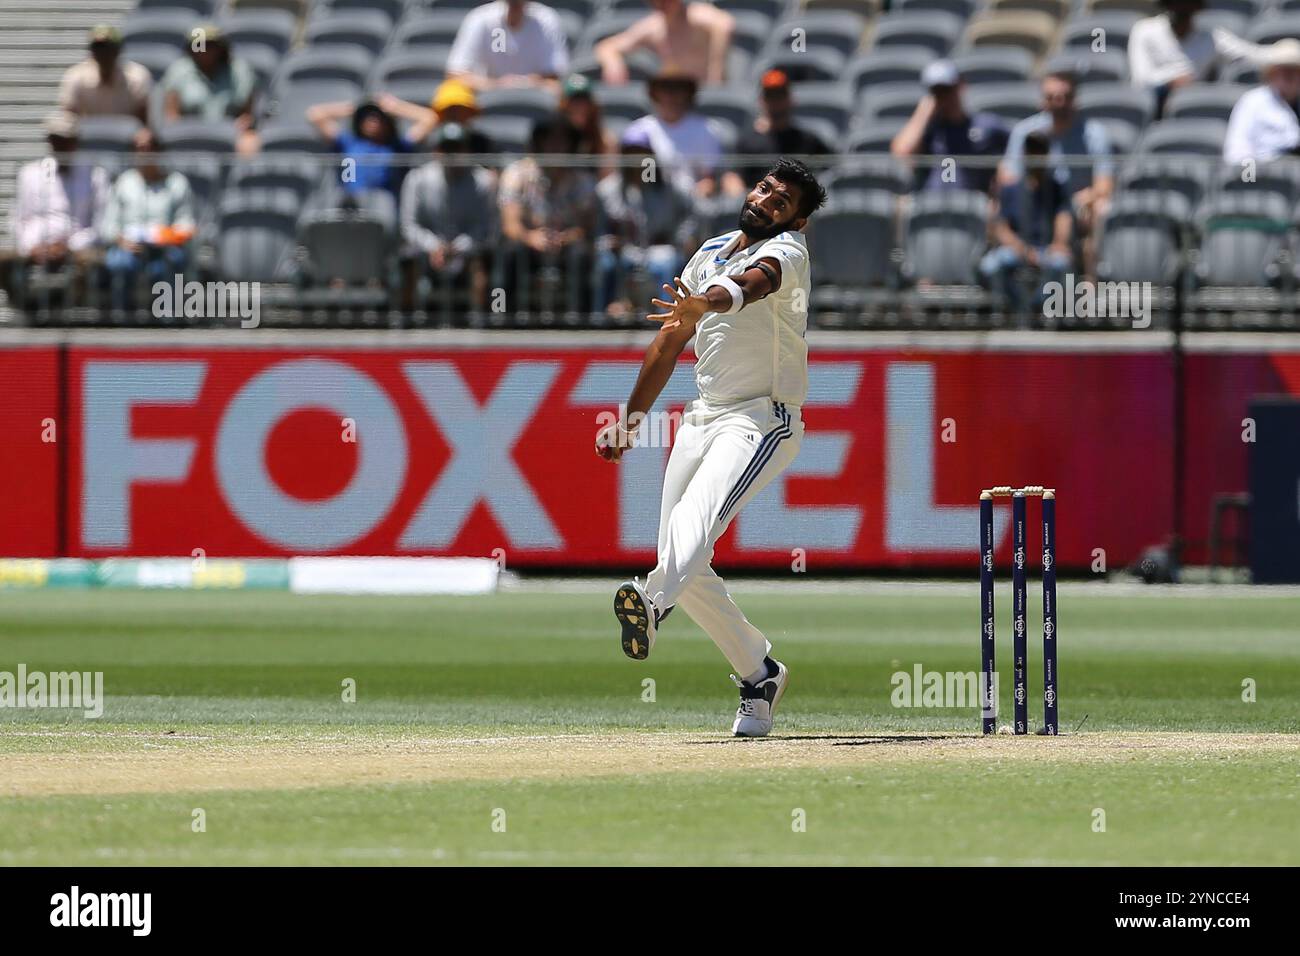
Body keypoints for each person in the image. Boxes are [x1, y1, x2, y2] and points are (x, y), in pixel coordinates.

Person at [595, 158, 826, 738]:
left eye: (781, 203)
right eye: (767, 190)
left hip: (760, 419)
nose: (767, 202)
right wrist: (629, 422)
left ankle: (651, 603)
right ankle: (759, 671)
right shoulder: (713, 248)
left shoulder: (790, 253)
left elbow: (753, 284)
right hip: (703, 417)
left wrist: (709, 301)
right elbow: (670, 339)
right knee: (684, 555)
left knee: (693, 528)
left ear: (795, 220)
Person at [1000, 72, 1112, 273]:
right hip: (1036, 204)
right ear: (1043, 100)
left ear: (1074, 99)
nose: (1058, 103)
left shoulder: (1094, 134)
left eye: (1064, 97)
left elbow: (1104, 187)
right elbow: (1008, 177)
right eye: (1051, 97)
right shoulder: (1026, 132)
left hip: (1077, 205)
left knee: (1101, 208)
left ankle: (1089, 280)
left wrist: (1078, 201)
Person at [2, 111, 107, 306]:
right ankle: (25, 307)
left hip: (76, 248)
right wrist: (33, 247)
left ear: (76, 141)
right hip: (36, 246)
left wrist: (69, 246)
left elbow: (99, 225)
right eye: (56, 139)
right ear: (49, 141)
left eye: (66, 140)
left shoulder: (95, 176)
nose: (61, 145)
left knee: (94, 261)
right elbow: (17, 219)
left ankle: (69, 310)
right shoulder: (30, 174)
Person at [498, 115, 599, 311]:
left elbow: (587, 225)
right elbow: (510, 225)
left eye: (562, 140)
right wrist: (531, 238)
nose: (556, 146)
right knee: (511, 252)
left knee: (581, 254)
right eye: (550, 140)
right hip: (528, 243)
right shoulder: (516, 174)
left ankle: (579, 319)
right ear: (538, 143)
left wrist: (567, 237)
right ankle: (504, 315)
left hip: (566, 244)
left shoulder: (583, 180)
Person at [595, 125, 697, 315]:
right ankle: (602, 318)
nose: (638, 160)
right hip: (625, 249)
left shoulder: (668, 186)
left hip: (660, 247)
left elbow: (689, 215)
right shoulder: (609, 189)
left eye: (642, 154)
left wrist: (681, 239)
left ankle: (666, 318)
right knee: (606, 263)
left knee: (666, 261)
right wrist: (608, 242)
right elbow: (601, 232)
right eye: (632, 154)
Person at [400, 123, 496, 311]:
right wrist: (433, 246)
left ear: (467, 150)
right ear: (436, 151)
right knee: (407, 257)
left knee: (483, 261)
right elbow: (409, 225)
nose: (452, 154)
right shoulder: (417, 178)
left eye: (457, 148)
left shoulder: (484, 181)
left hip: (467, 250)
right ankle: (407, 318)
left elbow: (485, 226)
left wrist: (459, 247)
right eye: (446, 148)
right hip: (427, 249)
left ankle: (481, 320)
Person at [101, 127, 196, 313]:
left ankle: (167, 319)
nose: (144, 153)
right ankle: (122, 318)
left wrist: (165, 237)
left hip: (165, 248)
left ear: (159, 151)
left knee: (169, 263)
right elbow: (108, 226)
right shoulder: (123, 182)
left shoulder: (177, 183)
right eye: (139, 148)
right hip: (129, 248)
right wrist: (122, 241)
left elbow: (186, 224)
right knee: (119, 262)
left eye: (149, 147)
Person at [981, 133, 1072, 315]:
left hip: (1046, 249)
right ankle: (1020, 306)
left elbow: (1063, 219)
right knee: (990, 266)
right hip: (1017, 250)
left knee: (1061, 264)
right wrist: (1023, 250)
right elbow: (1001, 228)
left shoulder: (1057, 188)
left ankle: (1035, 307)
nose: (1035, 155)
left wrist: (1059, 244)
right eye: (1031, 150)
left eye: (1040, 151)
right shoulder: (1010, 189)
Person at [891, 60, 1009, 194]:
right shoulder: (928, 129)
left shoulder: (985, 125)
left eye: (947, 90)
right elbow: (902, 153)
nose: (944, 97)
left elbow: (1017, 151)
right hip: (931, 204)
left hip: (972, 206)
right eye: (937, 91)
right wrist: (923, 113)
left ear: (960, 86)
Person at [1129, 0, 1263, 117]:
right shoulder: (1145, 30)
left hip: (1196, 104)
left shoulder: (1211, 37)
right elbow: (1141, 79)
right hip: (1158, 107)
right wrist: (1172, 81)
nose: (1182, 6)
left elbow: (1253, 54)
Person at [724, 70, 832, 194]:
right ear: (762, 101)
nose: (776, 103)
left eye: (780, 96)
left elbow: (832, 169)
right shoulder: (747, 142)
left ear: (790, 99)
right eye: (771, 97)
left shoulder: (807, 140)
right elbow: (732, 178)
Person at [307, 94, 429, 202]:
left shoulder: (397, 146)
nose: (372, 121)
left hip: (384, 207)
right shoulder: (348, 143)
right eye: (367, 116)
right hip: (351, 205)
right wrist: (354, 108)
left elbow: (428, 119)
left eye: (379, 117)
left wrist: (396, 108)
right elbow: (315, 114)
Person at [159, 24, 259, 154]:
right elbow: (172, 116)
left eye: (209, 45)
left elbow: (247, 114)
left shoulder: (239, 71)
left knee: (250, 142)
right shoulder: (178, 71)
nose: (204, 50)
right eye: (199, 45)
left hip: (230, 133)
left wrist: (242, 123)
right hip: (189, 134)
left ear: (220, 48)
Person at [622, 70, 722, 197]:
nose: (671, 95)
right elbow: (643, 180)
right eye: (665, 88)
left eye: (678, 88)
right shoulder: (639, 131)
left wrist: (694, 197)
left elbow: (709, 178)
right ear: (655, 93)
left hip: (693, 203)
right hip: (654, 204)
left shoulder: (706, 130)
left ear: (688, 93)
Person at [595, 0, 734, 87]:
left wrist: (716, 68)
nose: (662, 4)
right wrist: (613, 64)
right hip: (677, 95)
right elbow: (607, 46)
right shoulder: (653, 26)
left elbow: (725, 23)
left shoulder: (695, 14)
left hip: (709, 90)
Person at [446, 0, 568, 92]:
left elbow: (555, 78)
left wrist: (526, 83)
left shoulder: (547, 20)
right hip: (487, 98)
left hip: (536, 98)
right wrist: (497, 85)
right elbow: (456, 74)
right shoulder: (480, 18)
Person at [1223, 40, 1300, 165]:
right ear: (1272, 73)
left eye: (1294, 70)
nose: (1289, 75)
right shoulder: (1253, 101)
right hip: (1265, 175)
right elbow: (1236, 152)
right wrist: (1254, 180)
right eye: (1283, 69)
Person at [58, 25, 150, 123]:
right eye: (98, 48)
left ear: (118, 50)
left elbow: (143, 122)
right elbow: (68, 115)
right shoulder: (75, 76)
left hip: (126, 137)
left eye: (108, 48)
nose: (103, 53)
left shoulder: (137, 76)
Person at [405, 79, 496, 153]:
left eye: (460, 109)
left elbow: (491, 171)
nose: (455, 114)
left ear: (469, 112)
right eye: (450, 109)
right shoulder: (430, 139)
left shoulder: (481, 142)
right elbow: (406, 146)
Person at [561, 74, 617, 176]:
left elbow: (607, 178)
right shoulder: (554, 135)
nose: (579, 106)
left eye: (584, 101)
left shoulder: (605, 140)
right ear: (565, 105)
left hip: (593, 189)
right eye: (574, 101)